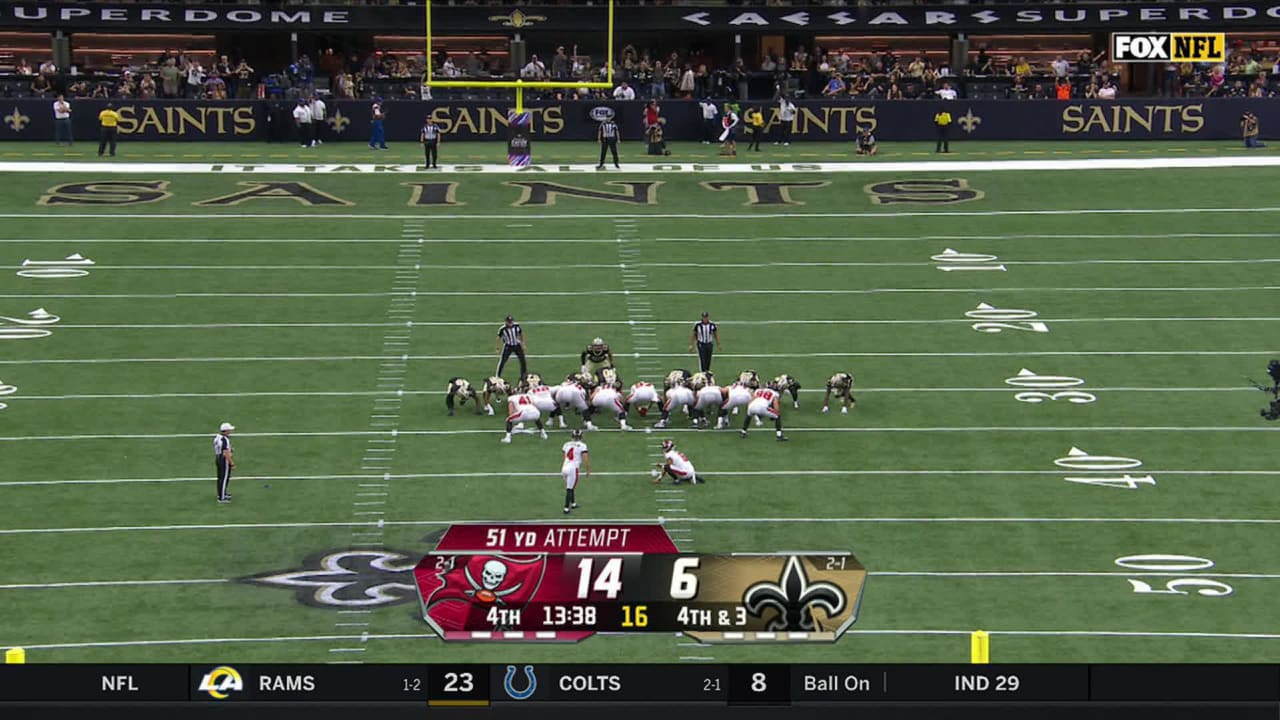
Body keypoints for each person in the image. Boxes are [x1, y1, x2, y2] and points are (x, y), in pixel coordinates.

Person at [561, 429, 590, 514]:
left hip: (564, 468)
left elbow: (565, 456)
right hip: (573, 469)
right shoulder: (582, 445)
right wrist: (588, 470)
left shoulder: (566, 444)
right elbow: (585, 458)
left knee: (571, 486)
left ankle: (573, 503)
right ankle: (566, 508)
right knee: (569, 488)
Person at [214, 421, 235, 503]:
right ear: (226, 431)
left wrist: (230, 449)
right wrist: (231, 463)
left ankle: (221, 494)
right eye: (229, 430)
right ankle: (222, 498)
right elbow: (226, 452)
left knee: (220, 478)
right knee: (224, 478)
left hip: (218, 458)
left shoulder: (217, 437)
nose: (230, 431)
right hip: (223, 460)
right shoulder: (225, 439)